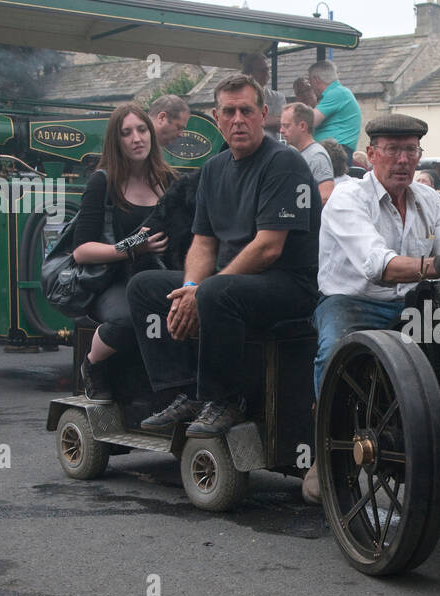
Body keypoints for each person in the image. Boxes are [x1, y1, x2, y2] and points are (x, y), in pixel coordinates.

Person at [126, 73, 320, 437]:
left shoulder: (284, 163)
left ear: (264, 114)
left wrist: (204, 290)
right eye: (228, 112)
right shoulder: (214, 169)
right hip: (232, 282)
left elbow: (268, 247)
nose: (237, 120)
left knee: (215, 293)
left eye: (246, 110)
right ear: (216, 118)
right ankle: (185, 391)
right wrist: (189, 287)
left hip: (290, 284)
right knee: (145, 287)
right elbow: (203, 243)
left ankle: (226, 400)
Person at [304, 114, 440, 503]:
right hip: (351, 302)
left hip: (412, 303)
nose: (402, 160)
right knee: (334, 354)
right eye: (393, 150)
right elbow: (377, 266)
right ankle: (326, 455)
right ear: (371, 154)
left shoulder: (431, 199)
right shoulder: (347, 199)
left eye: (410, 151)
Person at [73, 104, 174, 403]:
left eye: (142, 130)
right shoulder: (102, 182)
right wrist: (131, 248)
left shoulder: (168, 180)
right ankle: (92, 364)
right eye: (126, 133)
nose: (136, 138)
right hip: (113, 279)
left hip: (160, 275)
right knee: (131, 319)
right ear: (115, 142)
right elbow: (81, 251)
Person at [280, 102, 334, 204]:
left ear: (302, 126)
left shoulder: (317, 156)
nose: (281, 130)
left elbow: (326, 196)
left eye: (286, 126)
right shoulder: (293, 153)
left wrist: (294, 206)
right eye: (281, 125)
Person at [308, 60, 362, 152]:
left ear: (316, 80)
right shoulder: (339, 92)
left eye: (310, 82)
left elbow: (309, 121)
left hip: (335, 151)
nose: (311, 87)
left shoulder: (336, 93)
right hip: (335, 149)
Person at [238, 52, 285, 140]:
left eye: (267, 69)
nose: (266, 73)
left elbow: (282, 124)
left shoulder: (277, 97)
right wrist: (268, 119)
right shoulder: (238, 96)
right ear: (249, 73)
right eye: (261, 70)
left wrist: (250, 118)